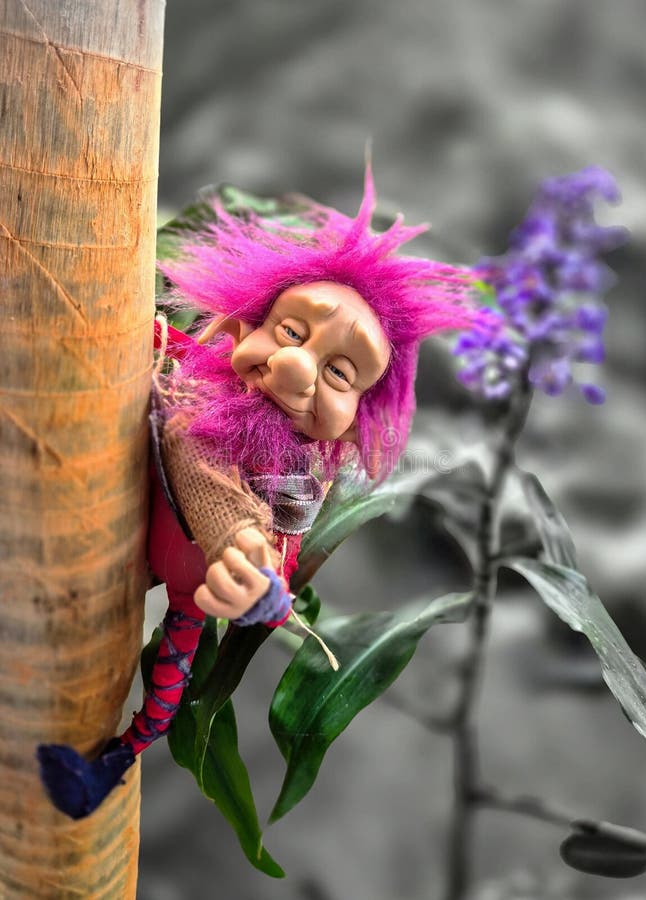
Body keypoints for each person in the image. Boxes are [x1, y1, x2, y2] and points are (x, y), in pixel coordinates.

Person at [37, 165, 485, 818]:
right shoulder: (194, 371)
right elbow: (172, 376)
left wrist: (255, 582)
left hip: (189, 573)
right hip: (112, 516)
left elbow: (276, 560)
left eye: (339, 371)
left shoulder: (297, 477)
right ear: (247, 321)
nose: (295, 368)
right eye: (290, 333)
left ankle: (113, 761)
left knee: (170, 682)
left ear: (358, 410)